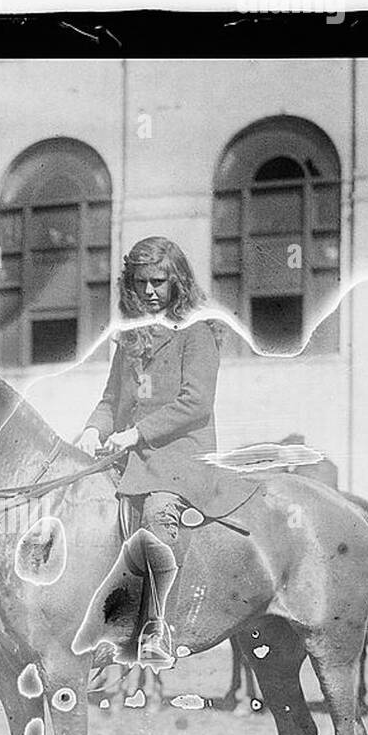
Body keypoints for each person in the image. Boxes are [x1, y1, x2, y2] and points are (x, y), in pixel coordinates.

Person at [74, 236, 220, 670]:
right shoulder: (131, 340)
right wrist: (91, 430)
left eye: (159, 281)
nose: (150, 291)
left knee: (157, 515)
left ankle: (156, 626)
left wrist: (135, 433)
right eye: (141, 284)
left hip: (181, 460)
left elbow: (196, 403)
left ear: (177, 283)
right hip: (132, 459)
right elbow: (110, 400)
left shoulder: (198, 334)